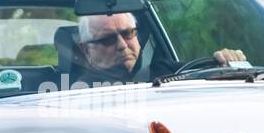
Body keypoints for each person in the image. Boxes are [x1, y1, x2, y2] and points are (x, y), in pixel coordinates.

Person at [73, 12, 245, 84]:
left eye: (128, 33)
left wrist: (225, 64)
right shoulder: (81, 94)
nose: (122, 45)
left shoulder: (168, 69)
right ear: (87, 50)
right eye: (108, 39)